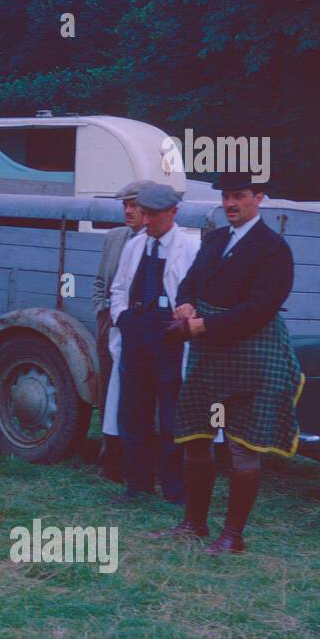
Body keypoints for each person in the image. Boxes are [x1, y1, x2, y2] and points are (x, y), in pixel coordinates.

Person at [152, 173, 303, 554]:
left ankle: (233, 537)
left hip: (252, 353)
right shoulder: (215, 238)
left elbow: (260, 309)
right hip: (209, 352)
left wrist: (202, 325)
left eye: (239, 196)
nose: (231, 204)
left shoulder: (273, 248)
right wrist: (185, 303)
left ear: (259, 198)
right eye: (226, 197)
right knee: (195, 435)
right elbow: (191, 281)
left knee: (241, 445)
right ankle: (194, 524)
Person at [108, 182, 199, 505]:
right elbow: (118, 288)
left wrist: (182, 322)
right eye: (143, 214)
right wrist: (123, 319)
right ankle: (137, 485)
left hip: (170, 340)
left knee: (173, 416)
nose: (146, 221)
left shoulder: (189, 247)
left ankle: (175, 489)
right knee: (133, 412)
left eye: (153, 215)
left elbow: (196, 294)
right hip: (136, 336)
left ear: (173, 213)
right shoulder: (135, 246)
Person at [92, 179, 151, 482]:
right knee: (108, 393)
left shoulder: (157, 241)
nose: (128, 211)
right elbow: (101, 281)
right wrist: (102, 314)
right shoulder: (115, 237)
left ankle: (136, 460)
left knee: (135, 393)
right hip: (111, 326)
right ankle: (109, 457)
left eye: (134, 205)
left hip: (141, 331)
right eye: (125, 205)